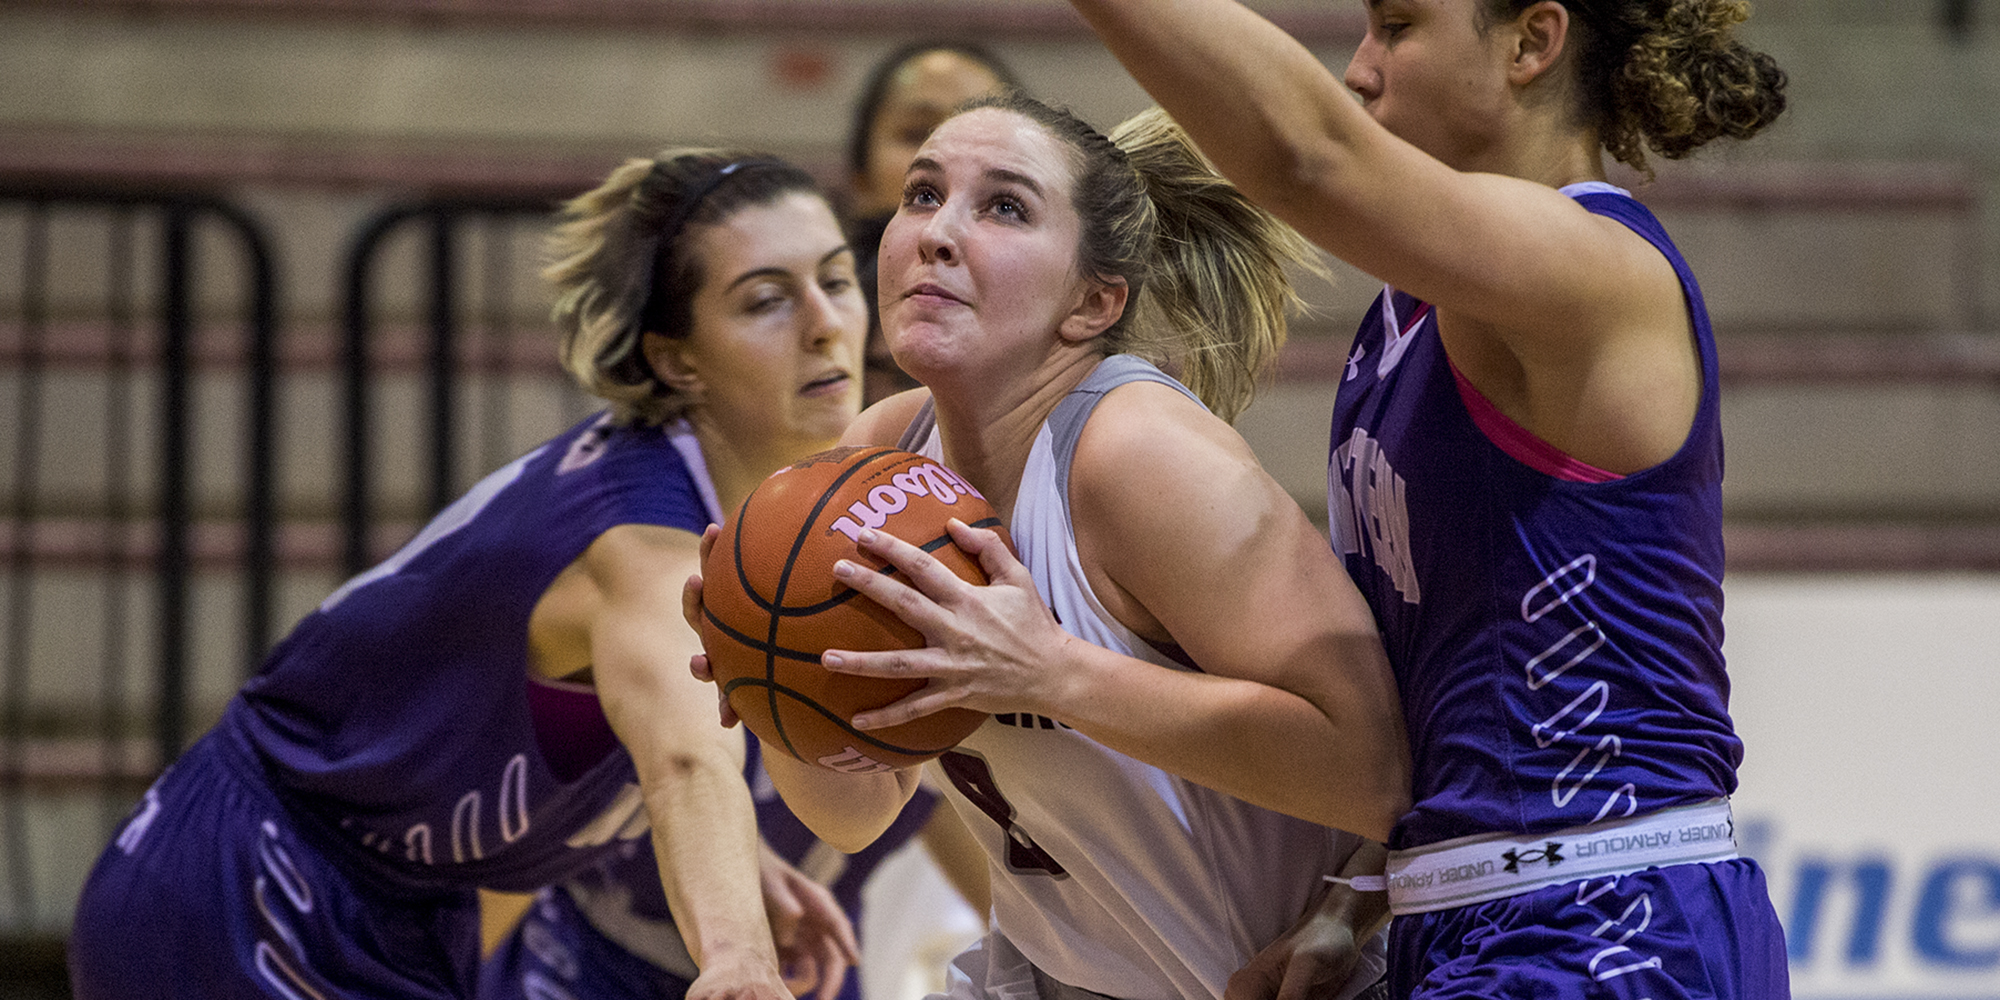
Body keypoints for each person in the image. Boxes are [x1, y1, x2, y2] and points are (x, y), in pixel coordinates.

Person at [1058, 0, 1792, 996]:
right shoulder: (1403, 317)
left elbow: (1306, 155)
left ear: (1530, 43)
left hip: (1610, 911)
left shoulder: (1591, 270)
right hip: (1461, 916)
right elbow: (1454, 678)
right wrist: (1350, 903)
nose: (1358, 69)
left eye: (1396, 26)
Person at [67, 150, 873, 1000]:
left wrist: (741, 865)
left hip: (409, 909)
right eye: (767, 300)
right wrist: (736, 952)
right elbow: (685, 763)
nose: (824, 323)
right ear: (677, 361)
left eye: (837, 280)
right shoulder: (640, 547)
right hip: (247, 882)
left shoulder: (729, 509)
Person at [690, 94, 1414, 1000]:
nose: (937, 233)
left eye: (1004, 207)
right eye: (922, 195)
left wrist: (1052, 673)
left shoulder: (1138, 457)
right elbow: (857, 812)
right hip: (1057, 972)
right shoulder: (882, 456)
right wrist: (769, 674)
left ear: (1093, 302)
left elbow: (1376, 777)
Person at [479, 737, 973, 1000]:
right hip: (599, 948)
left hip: (804, 971)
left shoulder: (966, 720)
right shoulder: (687, 607)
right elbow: (674, 763)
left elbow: (1026, 917)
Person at [843, 40, 1023, 402]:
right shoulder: (828, 320)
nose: (947, 153)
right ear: (860, 177)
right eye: (917, 133)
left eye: (984, 137)